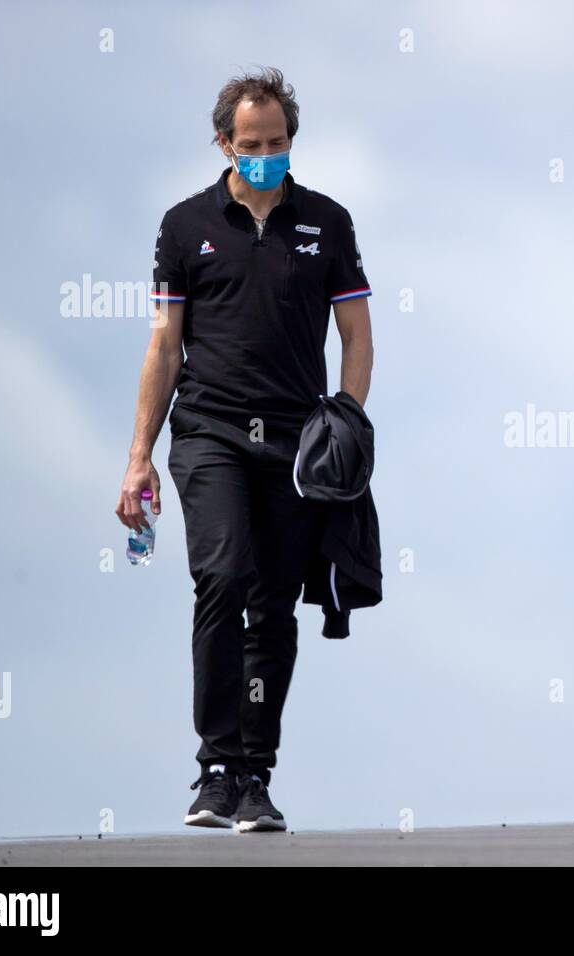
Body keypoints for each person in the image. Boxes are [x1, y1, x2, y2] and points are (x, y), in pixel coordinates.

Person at [115, 67, 374, 832]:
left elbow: (357, 336)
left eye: (279, 143)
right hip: (209, 433)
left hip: (298, 445)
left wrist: (348, 420)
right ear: (223, 142)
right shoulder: (183, 224)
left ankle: (255, 776)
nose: (267, 154)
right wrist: (138, 457)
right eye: (252, 143)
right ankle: (214, 767)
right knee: (223, 579)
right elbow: (164, 348)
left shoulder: (328, 221)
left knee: (274, 608)